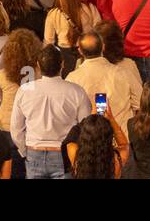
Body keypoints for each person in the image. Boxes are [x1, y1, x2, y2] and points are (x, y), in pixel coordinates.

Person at [10, 45, 92, 179]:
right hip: (64, 155)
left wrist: (26, 152)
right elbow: (85, 127)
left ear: (38, 65)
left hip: (33, 152)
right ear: (62, 64)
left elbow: (16, 128)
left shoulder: (25, 90)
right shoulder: (76, 91)